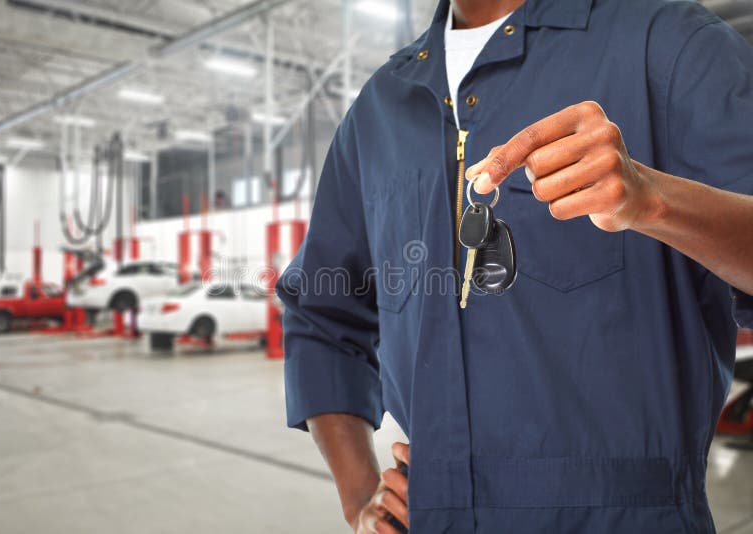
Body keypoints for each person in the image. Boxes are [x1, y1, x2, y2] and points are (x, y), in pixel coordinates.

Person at [276, 0, 753, 532]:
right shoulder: (381, 106)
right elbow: (320, 314)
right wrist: (361, 494)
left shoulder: (666, 44)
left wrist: (655, 199)